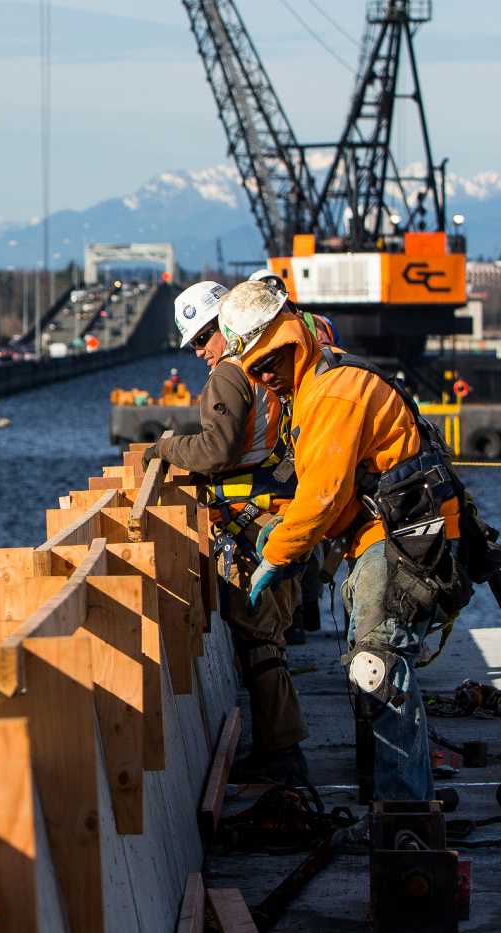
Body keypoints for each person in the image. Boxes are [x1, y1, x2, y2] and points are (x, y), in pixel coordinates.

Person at [218, 279, 458, 802]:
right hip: (385, 536)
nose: (263, 380)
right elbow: (324, 487)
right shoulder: (314, 385)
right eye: (254, 372)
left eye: (267, 366)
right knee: (372, 665)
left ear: (288, 345)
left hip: (402, 539)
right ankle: (389, 798)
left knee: (378, 667)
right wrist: (281, 518)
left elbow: (323, 496)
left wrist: (278, 554)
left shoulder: (330, 393)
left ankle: (404, 812)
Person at [144, 280, 307, 784]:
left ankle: (282, 756)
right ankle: (281, 752)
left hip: (256, 523)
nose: (200, 353)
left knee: (259, 640)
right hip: (282, 515)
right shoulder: (270, 366)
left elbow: (217, 451)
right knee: (270, 637)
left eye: (201, 339)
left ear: (223, 326)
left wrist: (165, 450)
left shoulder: (232, 376)